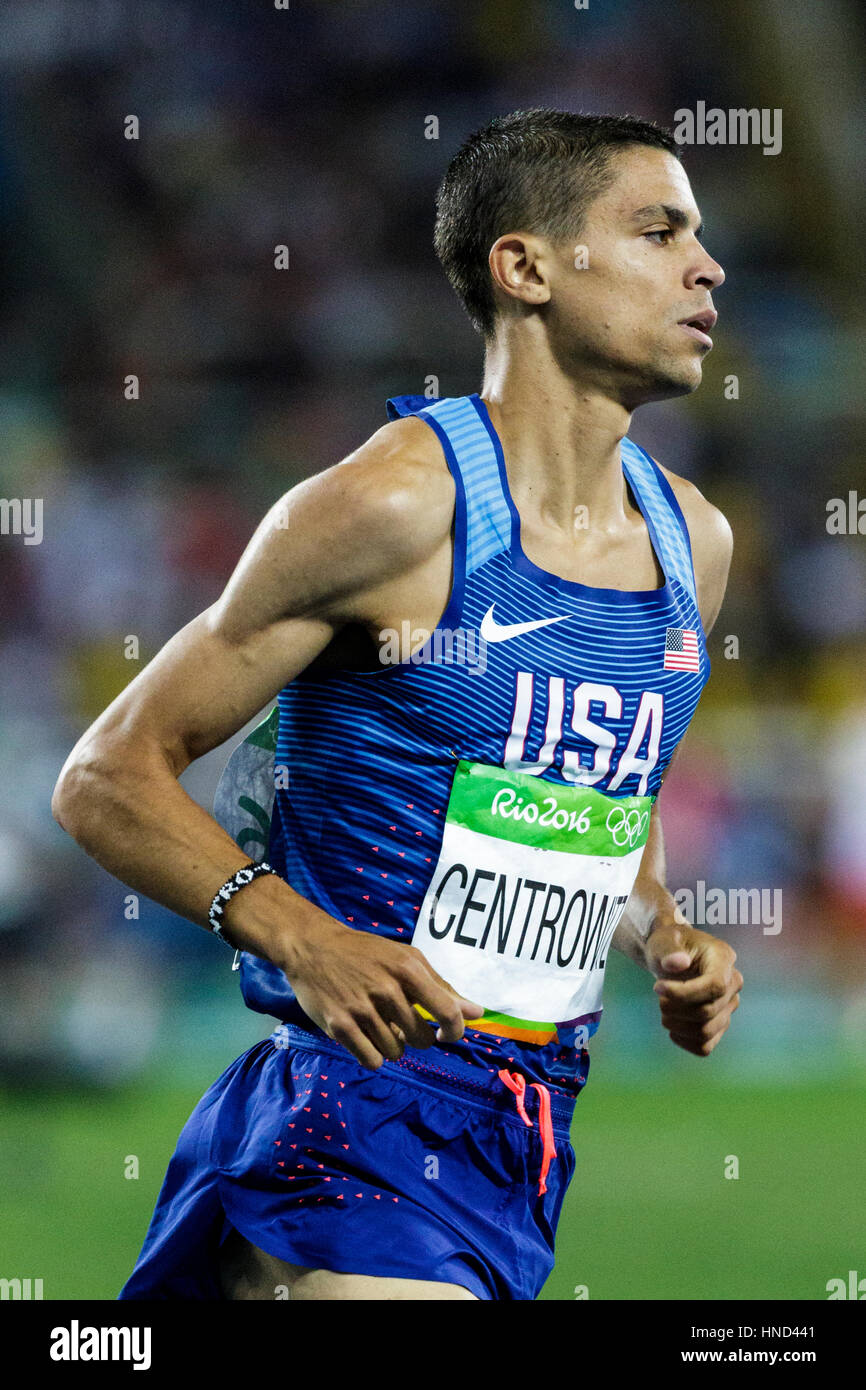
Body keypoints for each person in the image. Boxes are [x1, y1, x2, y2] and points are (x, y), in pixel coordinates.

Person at [52, 108, 742, 1301]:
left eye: (697, 232)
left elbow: (597, 801)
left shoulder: (693, 542)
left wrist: (660, 931)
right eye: (655, 228)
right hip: (354, 1120)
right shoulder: (394, 511)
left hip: (524, 1133)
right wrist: (299, 934)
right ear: (523, 268)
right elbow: (108, 772)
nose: (705, 263)